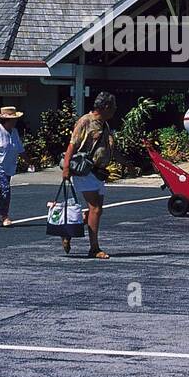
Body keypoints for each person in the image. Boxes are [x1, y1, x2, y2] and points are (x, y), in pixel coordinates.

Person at [61, 91, 118, 259]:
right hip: (85, 170)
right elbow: (72, 145)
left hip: (98, 172)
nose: (114, 110)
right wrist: (66, 168)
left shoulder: (104, 124)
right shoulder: (86, 121)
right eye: (113, 107)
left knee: (96, 211)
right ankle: (94, 248)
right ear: (106, 107)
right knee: (95, 208)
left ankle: (68, 230)